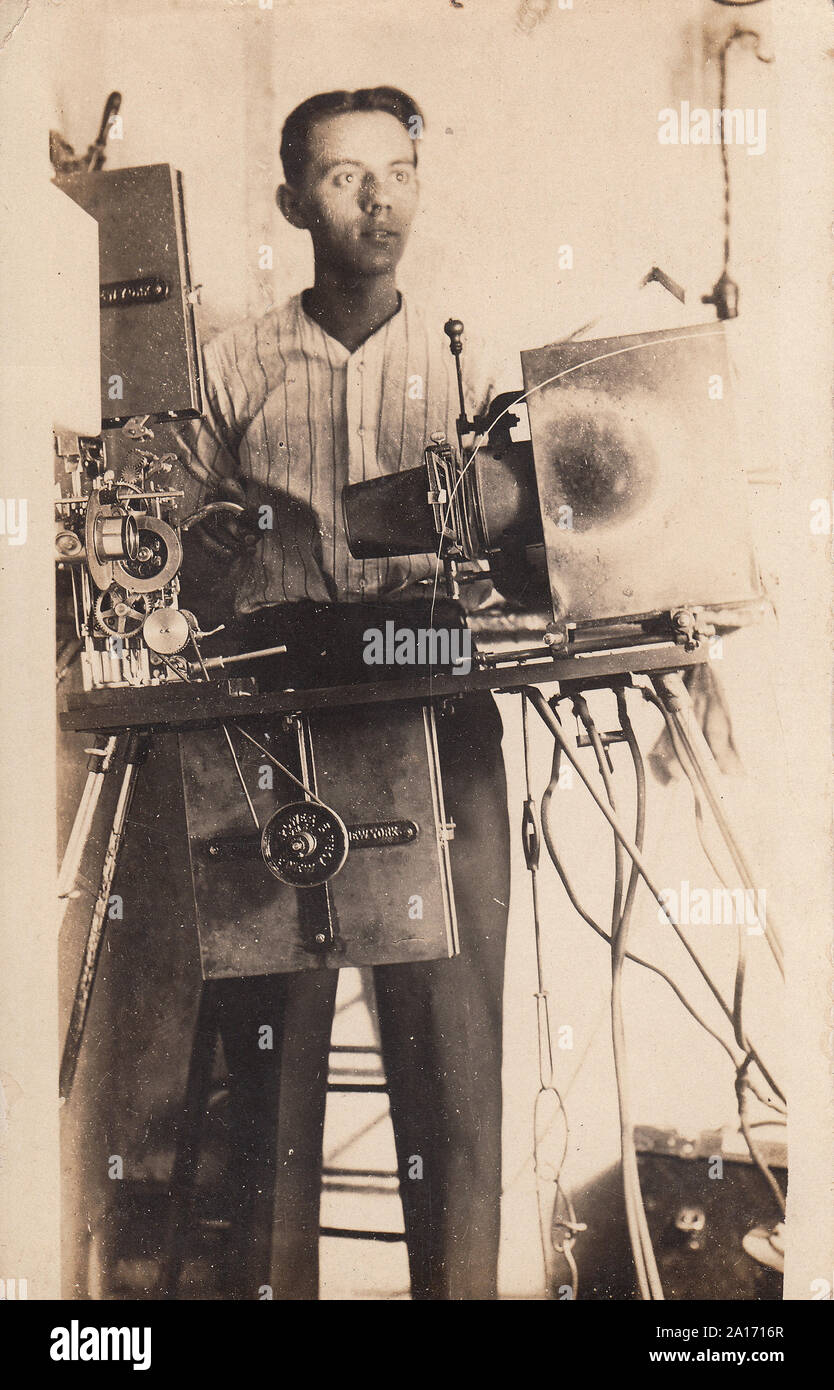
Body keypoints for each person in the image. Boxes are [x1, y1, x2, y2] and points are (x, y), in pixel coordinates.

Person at [175, 86, 511, 1301]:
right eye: (342, 178)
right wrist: (218, 542)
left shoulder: (471, 361)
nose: (379, 200)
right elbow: (179, 556)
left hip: (437, 715)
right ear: (291, 202)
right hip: (278, 730)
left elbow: (543, 541)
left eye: (398, 173)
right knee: (269, 1075)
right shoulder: (234, 367)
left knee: (454, 1062)